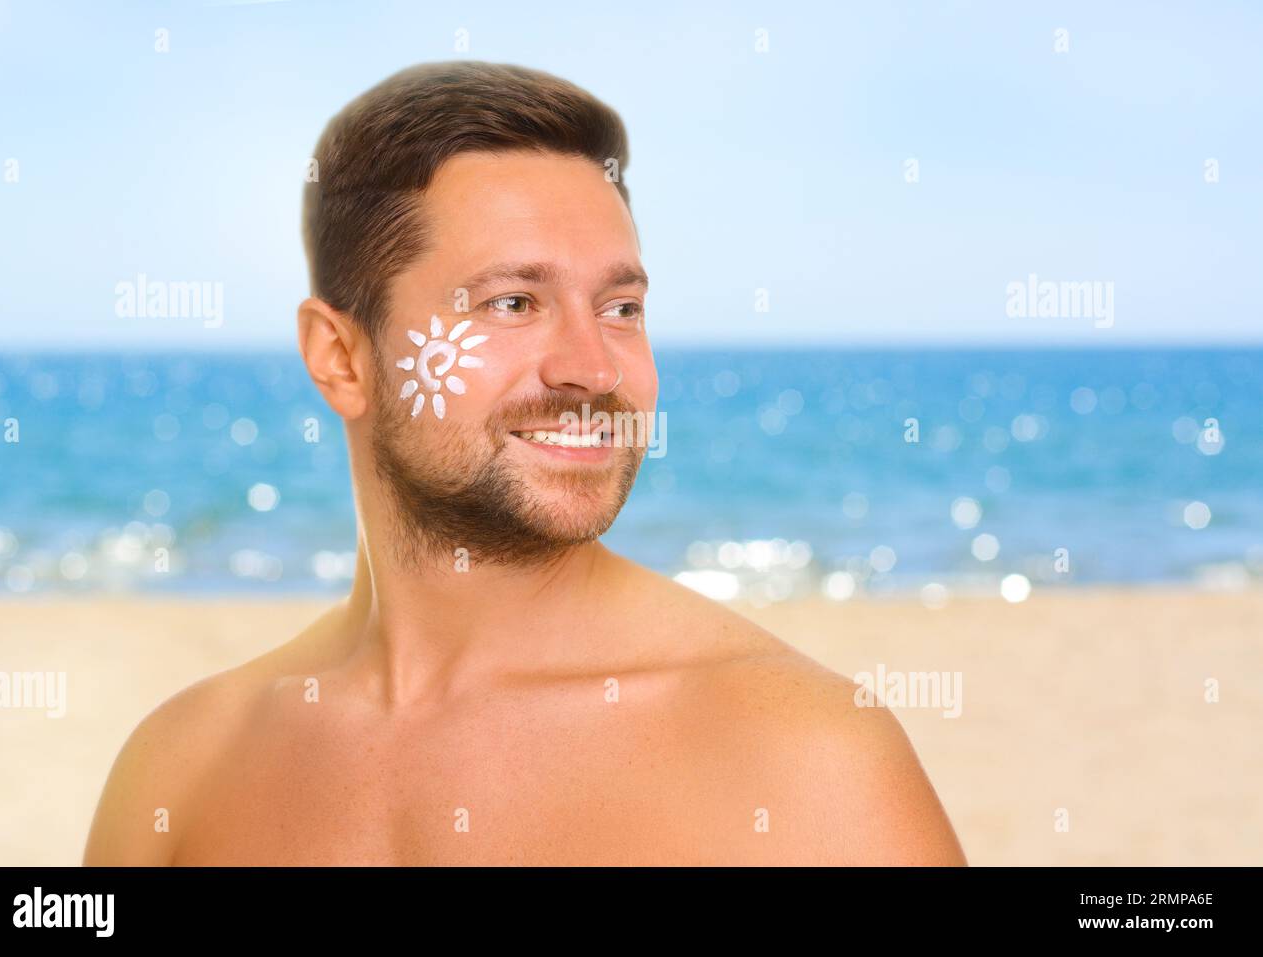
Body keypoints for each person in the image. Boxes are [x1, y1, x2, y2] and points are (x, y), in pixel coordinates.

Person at [84, 61, 966, 866]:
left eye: (620, 307)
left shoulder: (806, 761)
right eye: (514, 301)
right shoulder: (182, 773)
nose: (593, 366)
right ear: (341, 359)